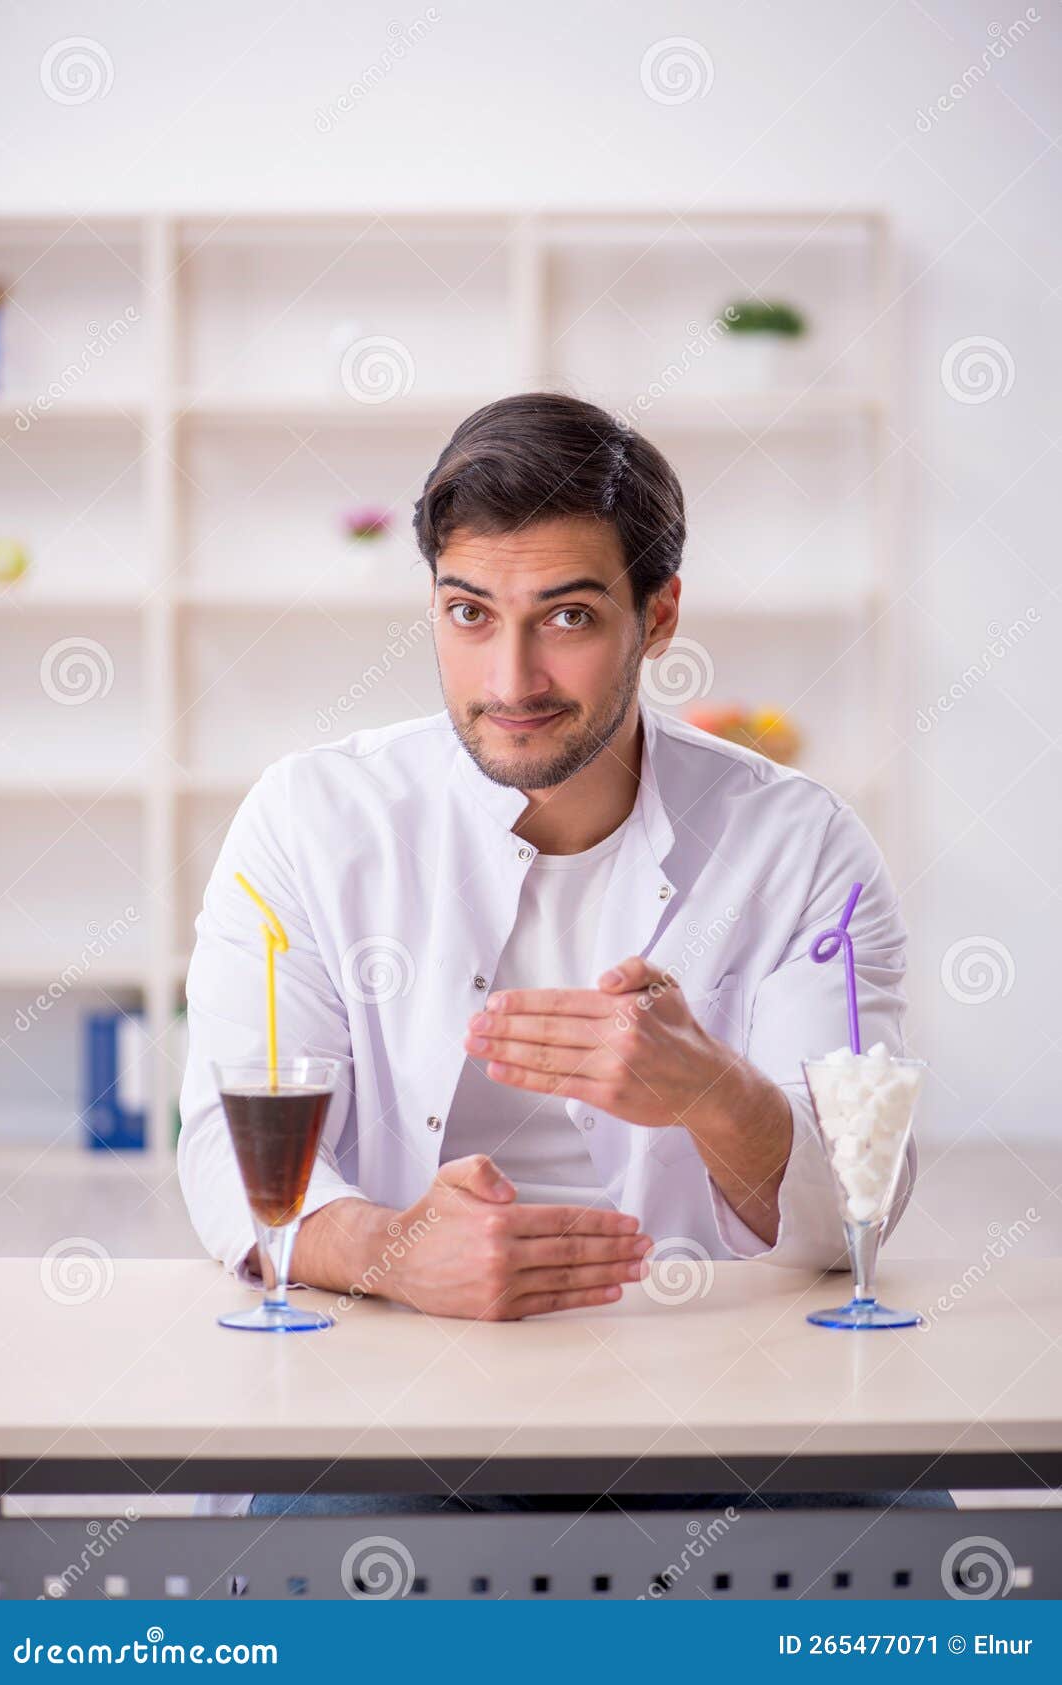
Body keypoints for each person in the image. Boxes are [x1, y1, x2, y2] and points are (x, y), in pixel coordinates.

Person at [179, 392, 938, 1518]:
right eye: (470, 613)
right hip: (396, 1377)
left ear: (660, 614)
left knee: (933, 1587)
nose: (512, 680)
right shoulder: (308, 820)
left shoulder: (800, 845)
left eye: (570, 617)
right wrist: (396, 1253)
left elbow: (859, 1218)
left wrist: (714, 1094)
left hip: (728, 1379)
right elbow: (221, 1153)